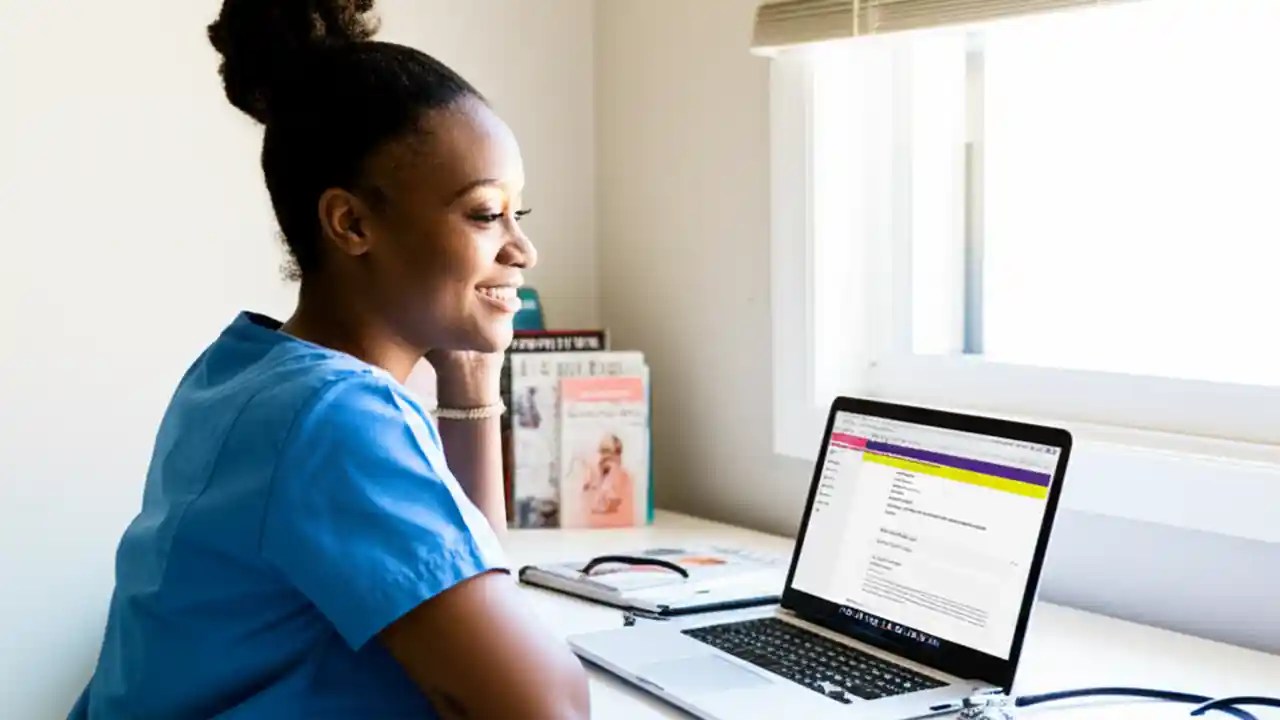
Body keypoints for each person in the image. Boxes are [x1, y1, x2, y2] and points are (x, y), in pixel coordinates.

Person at [68, 1, 590, 718]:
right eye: (482, 213)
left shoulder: (243, 373)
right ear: (350, 223)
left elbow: (476, 587)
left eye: (517, 215)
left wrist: (469, 376)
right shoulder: (338, 418)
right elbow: (545, 705)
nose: (521, 250)